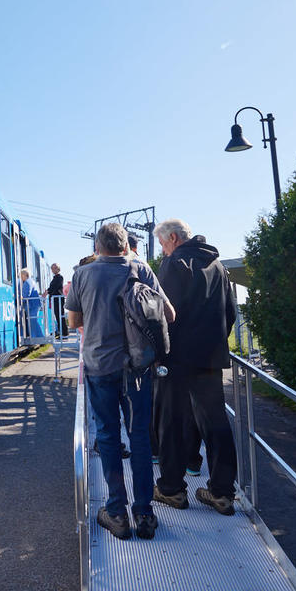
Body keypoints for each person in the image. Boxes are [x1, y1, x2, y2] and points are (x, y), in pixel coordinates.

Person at [65, 222, 162, 540]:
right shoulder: (141, 269)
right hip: (137, 369)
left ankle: (117, 513)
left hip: (100, 366)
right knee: (140, 437)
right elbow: (168, 313)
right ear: (125, 246)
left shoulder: (83, 274)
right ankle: (144, 513)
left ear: (98, 247)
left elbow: (73, 321)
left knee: (107, 436)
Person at [152, 218, 239, 515]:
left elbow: (163, 314)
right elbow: (230, 312)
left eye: (162, 244)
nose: (163, 251)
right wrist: (214, 343)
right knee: (216, 424)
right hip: (211, 357)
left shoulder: (174, 263)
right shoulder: (218, 266)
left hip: (177, 358)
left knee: (172, 423)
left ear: (174, 238)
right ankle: (222, 493)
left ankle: (171, 489)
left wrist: (159, 352)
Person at [45, 263, 65, 338]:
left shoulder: (60, 277)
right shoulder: (55, 278)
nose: (53, 269)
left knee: (60, 315)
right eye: (52, 268)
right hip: (55, 299)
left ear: (58, 269)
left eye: (55, 268)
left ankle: (64, 333)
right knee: (57, 316)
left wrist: (48, 291)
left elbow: (55, 287)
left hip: (58, 299)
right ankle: (61, 332)